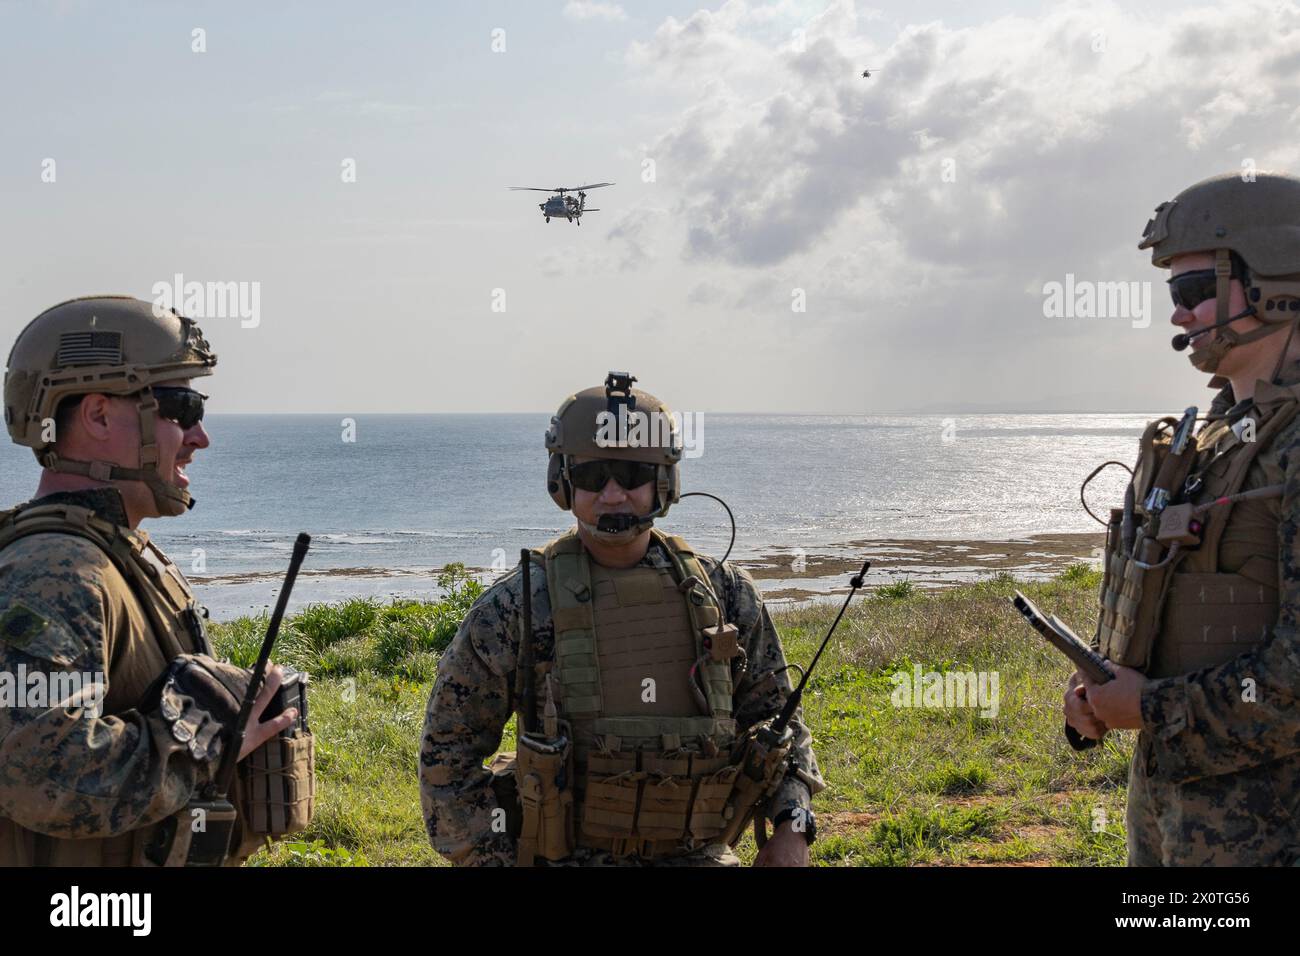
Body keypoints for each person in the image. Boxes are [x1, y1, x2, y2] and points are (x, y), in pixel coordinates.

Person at [420, 371, 824, 866]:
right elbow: (447, 760)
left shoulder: (724, 595)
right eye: (592, 476)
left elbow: (780, 722)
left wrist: (793, 829)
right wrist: (496, 856)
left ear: (664, 483)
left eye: (631, 475)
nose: (613, 494)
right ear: (562, 482)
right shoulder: (518, 608)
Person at [0, 295, 308, 866]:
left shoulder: (111, 553)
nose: (199, 437)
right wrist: (206, 740)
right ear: (97, 415)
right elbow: (42, 775)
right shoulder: (57, 570)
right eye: (181, 408)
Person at [1065, 172, 1300, 865]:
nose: (1179, 315)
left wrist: (1152, 707)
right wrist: (1099, 691)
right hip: (1172, 825)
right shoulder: (1215, 438)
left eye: (1193, 292)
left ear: (1275, 280)